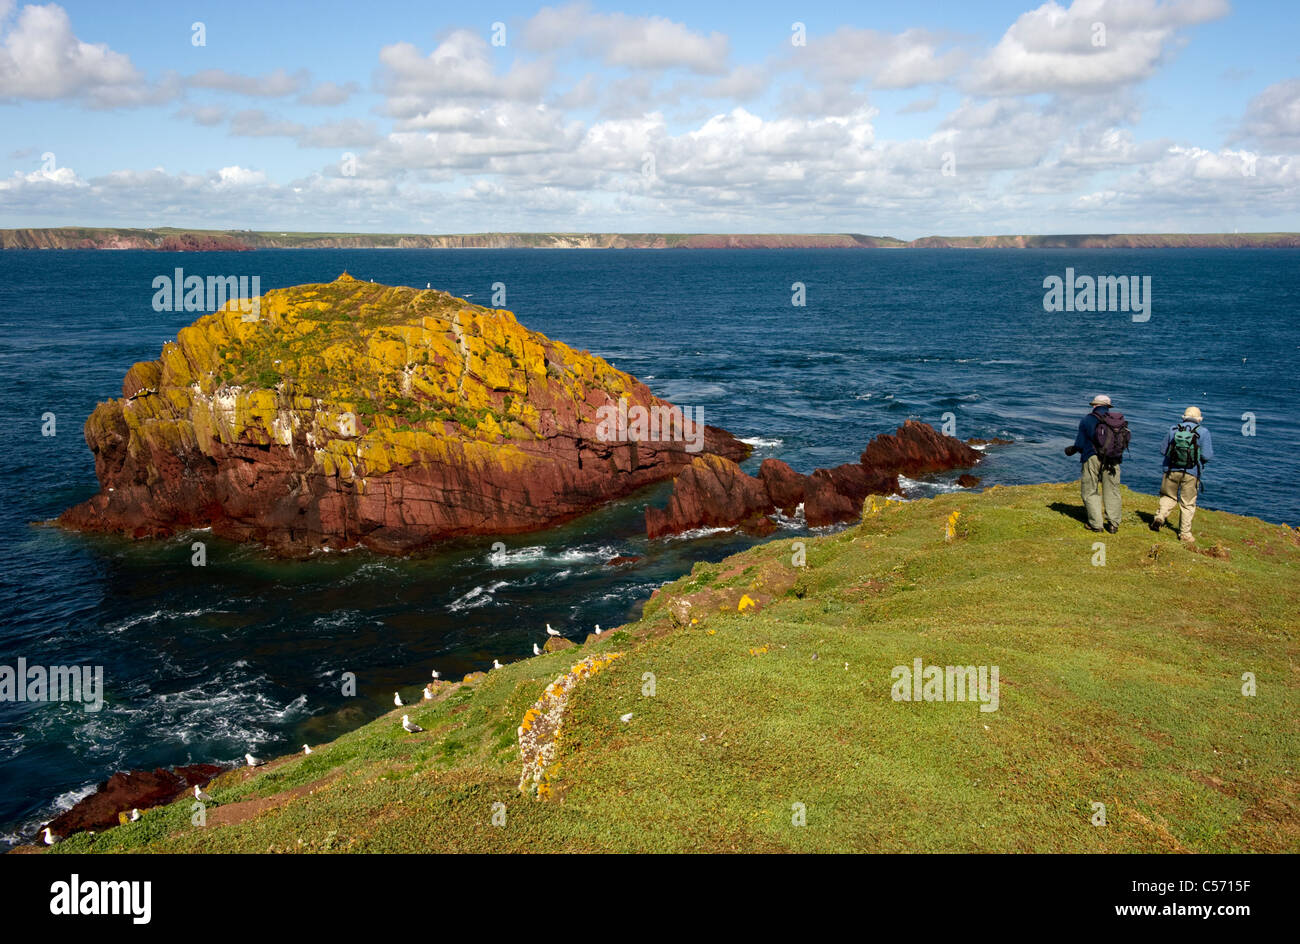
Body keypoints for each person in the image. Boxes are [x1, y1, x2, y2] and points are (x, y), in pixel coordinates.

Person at [1064, 394, 1128, 533]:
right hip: (1113, 459)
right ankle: (1113, 524)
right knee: (1112, 490)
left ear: (1094, 405)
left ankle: (1096, 524)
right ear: (1108, 407)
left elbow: (1080, 444)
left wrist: (1074, 449)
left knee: (1090, 490)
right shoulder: (1117, 421)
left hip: (1091, 456)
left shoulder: (1087, 419)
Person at [1150, 406, 1214, 543]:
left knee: (1168, 496)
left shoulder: (1173, 429)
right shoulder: (1203, 432)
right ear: (1199, 419)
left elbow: (1163, 450)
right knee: (1187, 503)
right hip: (1192, 472)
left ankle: (1160, 517)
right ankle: (1184, 533)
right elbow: (1207, 456)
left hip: (1171, 469)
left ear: (1183, 417)